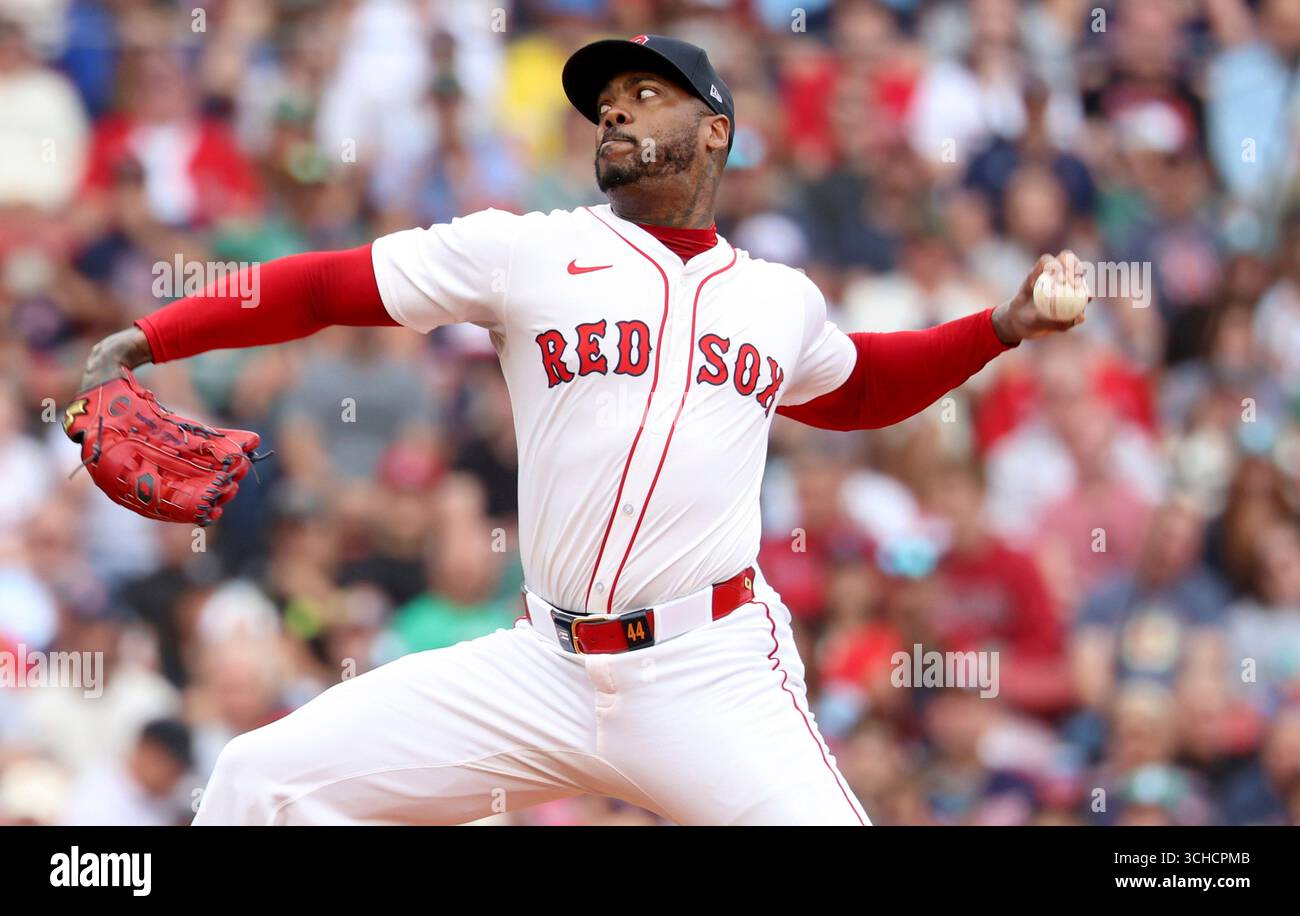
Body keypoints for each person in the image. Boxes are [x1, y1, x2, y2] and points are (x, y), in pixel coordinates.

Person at [67, 36, 1083, 826]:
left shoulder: (777, 298)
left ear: (716, 130)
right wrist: (155, 335)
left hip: (708, 667)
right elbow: (328, 283)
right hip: (539, 664)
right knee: (258, 780)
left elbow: (859, 387)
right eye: (606, 105)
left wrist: (998, 327)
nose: (615, 113)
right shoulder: (526, 251)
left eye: (645, 96)